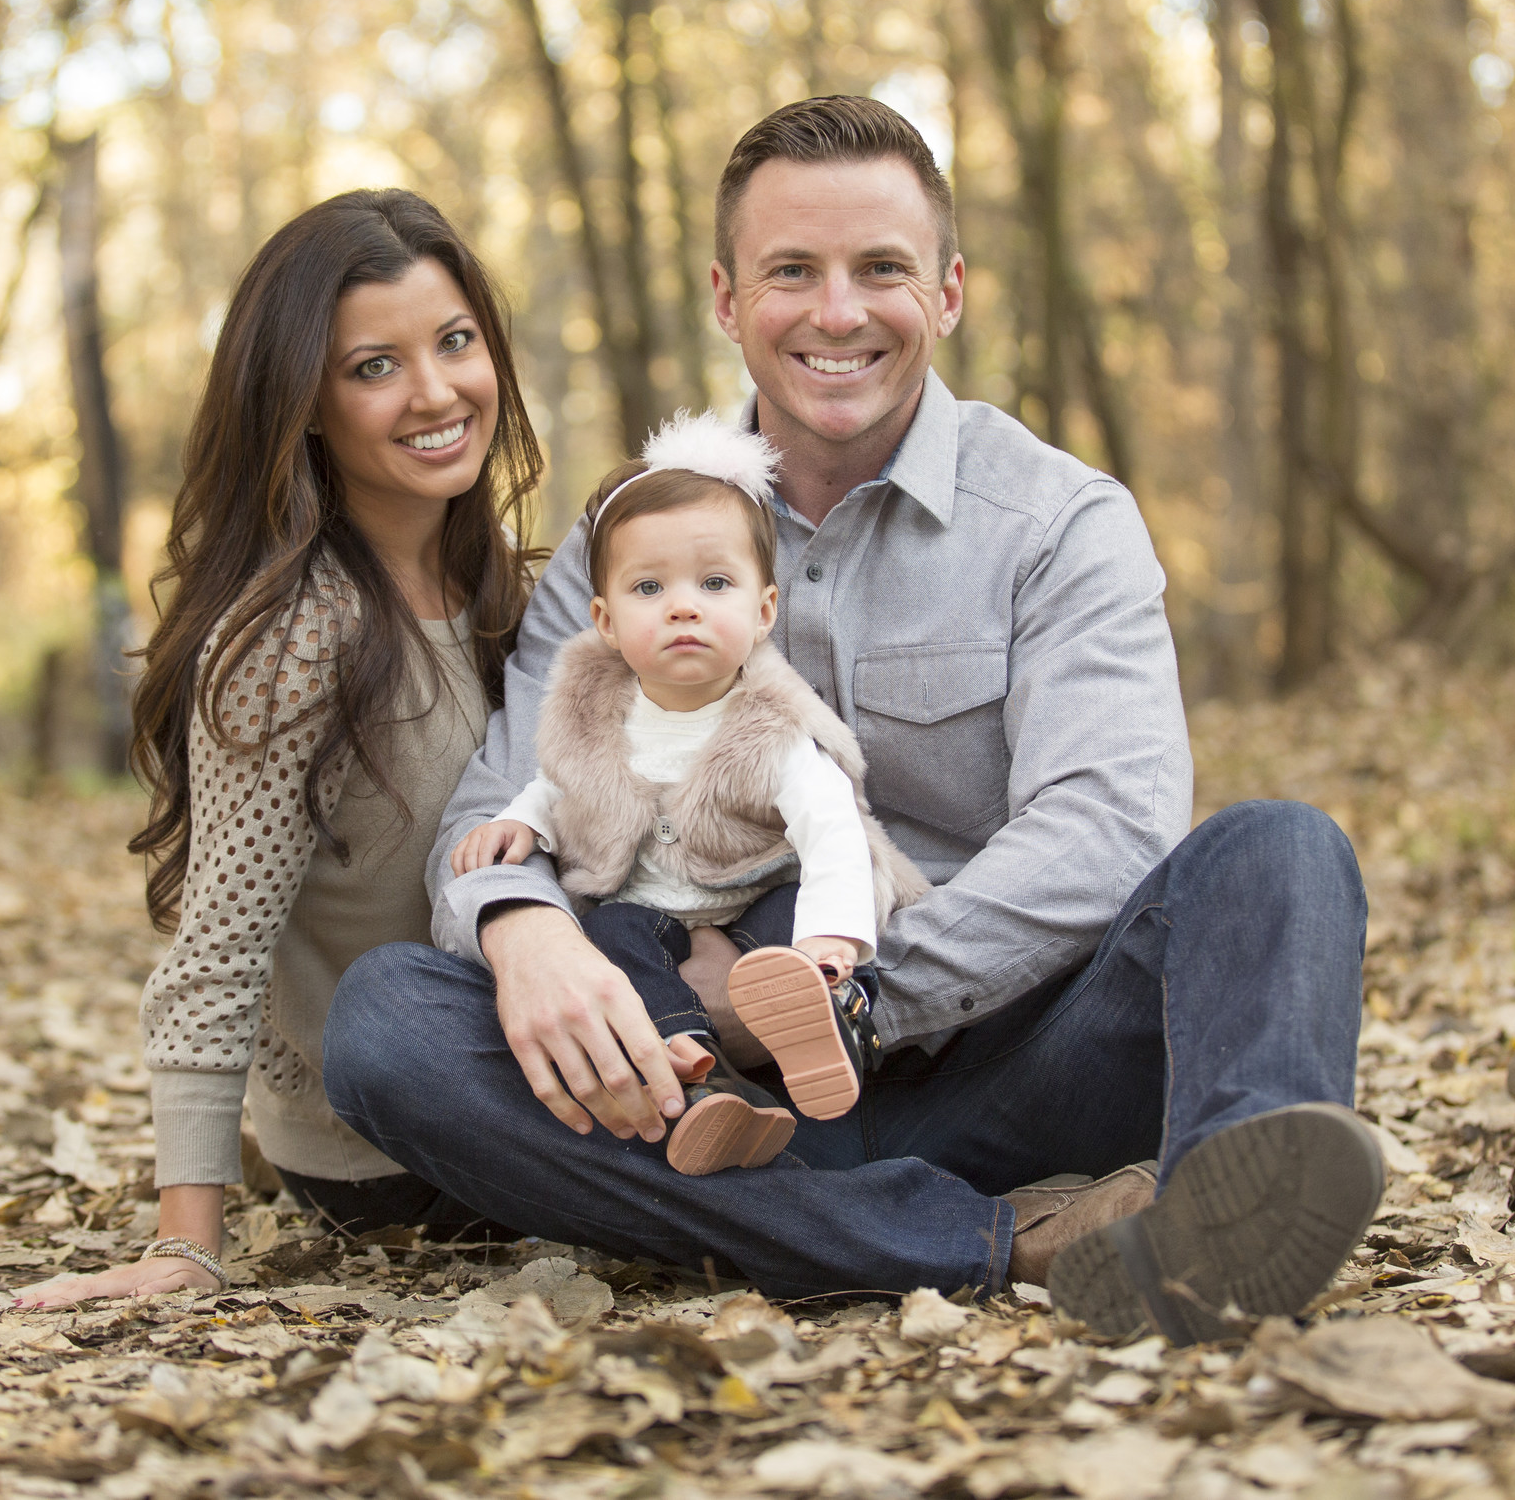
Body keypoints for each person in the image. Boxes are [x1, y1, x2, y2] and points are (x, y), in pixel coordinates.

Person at [323, 97, 1381, 1340]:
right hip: (692, 1102)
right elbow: (491, 815)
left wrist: (851, 998)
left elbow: (1107, 828)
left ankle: (1234, 1207)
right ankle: (1007, 1241)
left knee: (1281, 851)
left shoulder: (1056, 520)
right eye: (791, 272)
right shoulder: (630, 541)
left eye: (880, 269)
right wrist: (521, 930)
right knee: (388, 1020)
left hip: (1012, 1066)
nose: (837, 313)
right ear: (727, 300)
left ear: (946, 293)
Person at [14, 189, 544, 1309]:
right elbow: (214, 949)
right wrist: (185, 1242)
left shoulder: (503, 581)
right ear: (302, 400)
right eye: (373, 367)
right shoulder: (301, 636)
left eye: (455, 342)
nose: (436, 391)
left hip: (543, 1044)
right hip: (397, 1131)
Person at [448, 412, 926, 1175]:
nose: (683, 605)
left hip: (754, 897)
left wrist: (833, 936)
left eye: (714, 583)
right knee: (611, 939)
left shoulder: (771, 728)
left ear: (764, 609)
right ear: (603, 620)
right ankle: (697, 1082)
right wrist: (518, 822)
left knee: (792, 918)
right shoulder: (592, 711)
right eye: (649, 587)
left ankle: (824, 1021)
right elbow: (561, 780)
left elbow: (833, 829)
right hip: (654, 911)